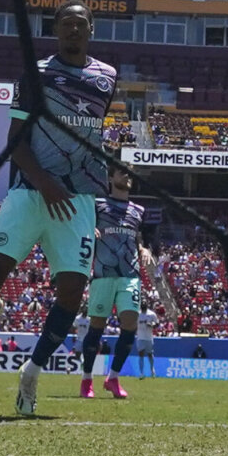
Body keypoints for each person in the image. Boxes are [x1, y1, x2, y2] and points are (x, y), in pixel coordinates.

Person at [0, 1, 117, 416]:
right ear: (55, 30)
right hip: (30, 192)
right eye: (66, 24)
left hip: (78, 200)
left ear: (91, 29)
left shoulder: (107, 77)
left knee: (73, 290)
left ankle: (32, 372)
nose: (74, 30)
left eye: (81, 24)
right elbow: (15, 140)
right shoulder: (35, 74)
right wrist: (44, 182)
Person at [78, 164, 163, 401]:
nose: (127, 177)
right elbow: (82, 226)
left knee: (129, 324)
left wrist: (144, 248)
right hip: (103, 274)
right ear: (112, 177)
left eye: (130, 174)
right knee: (96, 327)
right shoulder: (98, 205)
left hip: (130, 276)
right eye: (123, 172)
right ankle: (86, 380)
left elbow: (143, 238)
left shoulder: (138, 210)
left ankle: (113, 378)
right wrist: (89, 229)